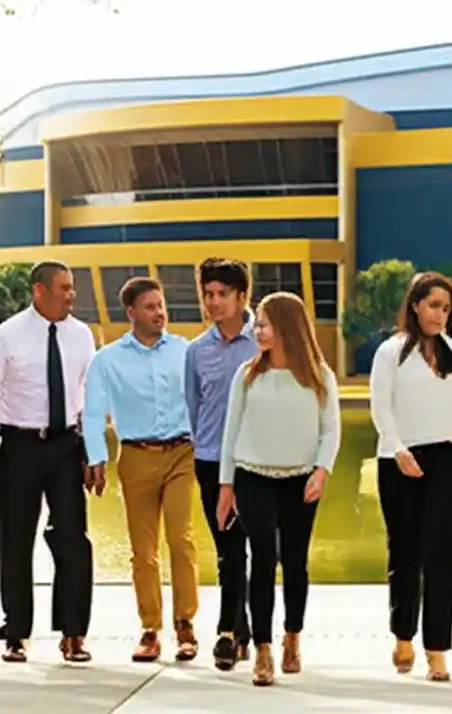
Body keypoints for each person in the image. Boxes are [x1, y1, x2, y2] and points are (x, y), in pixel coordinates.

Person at [0, 261, 97, 664]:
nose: (71, 295)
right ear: (40, 290)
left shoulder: (81, 336)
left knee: (73, 539)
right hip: (19, 447)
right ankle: (16, 633)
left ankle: (73, 634)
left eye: (72, 287)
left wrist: (94, 453)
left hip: (66, 448)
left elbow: (90, 398)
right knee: (15, 541)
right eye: (64, 287)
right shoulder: (7, 336)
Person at [216, 292, 340, 687]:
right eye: (257, 323)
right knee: (262, 558)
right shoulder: (247, 375)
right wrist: (226, 487)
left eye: (264, 324)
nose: (257, 330)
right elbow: (230, 432)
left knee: (295, 561)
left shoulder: (319, 376)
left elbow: (330, 429)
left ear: (287, 327)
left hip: (300, 479)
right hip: (253, 476)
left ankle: (292, 637)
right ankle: (263, 649)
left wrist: (321, 470)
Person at [369, 272, 452, 682]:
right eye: (433, 305)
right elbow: (381, 406)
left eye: (446, 308)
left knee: (441, 555)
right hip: (399, 458)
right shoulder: (391, 352)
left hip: (451, 458)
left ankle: (437, 649)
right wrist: (398, 448)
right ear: (416, 305)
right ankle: (403, 635)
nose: (439, 314)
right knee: (404, 552)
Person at [83, 277, 199, 663]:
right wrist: (96, 458)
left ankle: (185, 623)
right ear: (131, 312)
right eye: (150, 307)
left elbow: (204, 399)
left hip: (182, 453)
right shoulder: (107, 360)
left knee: (180, 539)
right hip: (136, 457)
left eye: (161, 305)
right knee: (143, 550)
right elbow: (94, 414)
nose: (159, 313)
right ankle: (151, 628)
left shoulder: (185, 351)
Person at [185, 257, 257, 671]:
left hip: (260, 462)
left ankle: (246, 631)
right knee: (229, 550)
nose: (213, 302)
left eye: (222, 294)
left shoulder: (266, 342)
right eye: (208, 294)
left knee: (259, 550)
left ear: (242, 296)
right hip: (212, 461)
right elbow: (194, 408)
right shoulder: (197, 351)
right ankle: (229, 632)